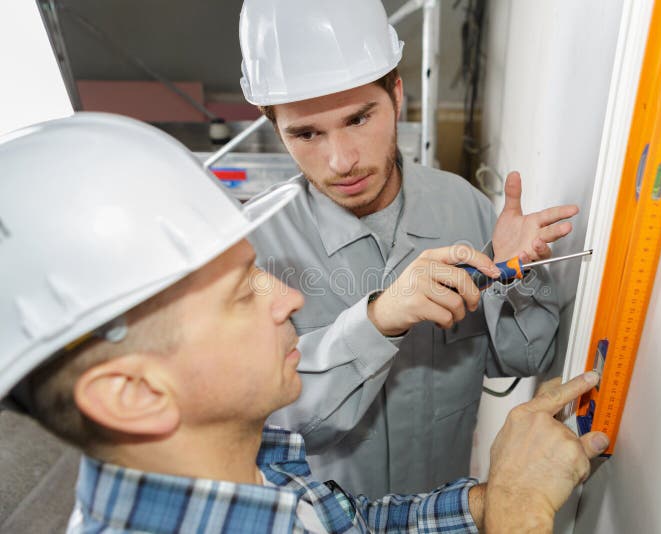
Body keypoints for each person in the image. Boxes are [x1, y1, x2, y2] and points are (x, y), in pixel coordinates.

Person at [0, 113, 608, 533]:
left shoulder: (257, 469)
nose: (290, 299)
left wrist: (487, 501)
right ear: (133, 392)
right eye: (243, 294)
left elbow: (352, 524)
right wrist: (518, 515)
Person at [239, 0, 582, 497]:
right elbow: (265, 428)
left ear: (397, 96)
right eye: (307, 133)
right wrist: (377, 322)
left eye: (359, 119)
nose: (341, 161)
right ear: (275, 128)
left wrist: (516, 276)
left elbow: (526, 358)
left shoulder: (462, 206)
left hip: (445, 518)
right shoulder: (248, 250)